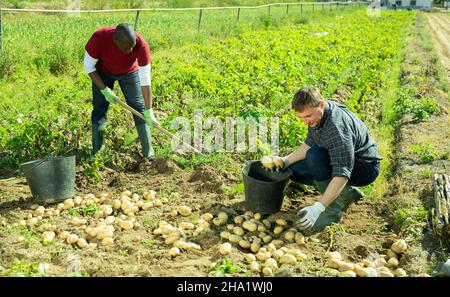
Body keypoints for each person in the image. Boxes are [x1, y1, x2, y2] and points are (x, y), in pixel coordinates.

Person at [272, 87, 381, 232]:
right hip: (348, 161)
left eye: (308, 116)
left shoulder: (336, 128)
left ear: (321, 105)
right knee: (293, 169)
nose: (305, 122)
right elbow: (310, 143)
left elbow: (342, 172)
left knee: (315, 157)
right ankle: (345, 194)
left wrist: (319, 207)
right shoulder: (318, 115)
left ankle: (331, 211)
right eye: (301, 118)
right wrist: (285, 160)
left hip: (364, 167)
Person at [83, 23, 158, 159]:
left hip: (129, 72)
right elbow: (88, 66)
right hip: (103, 71)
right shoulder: (99, 37)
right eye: (125, 47)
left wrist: (149, 109)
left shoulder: (141, 46)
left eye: (132, 46)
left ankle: (148, 153)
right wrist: (104, 89)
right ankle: (97, 153)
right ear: (115, 40)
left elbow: (145, 80)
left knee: (138, 107)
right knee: (100, 107)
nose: (130, 50)